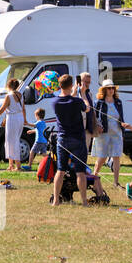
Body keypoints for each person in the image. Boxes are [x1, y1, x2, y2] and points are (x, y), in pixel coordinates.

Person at [51, 74, 92, 206]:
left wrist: (74, 92)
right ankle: (84, 201)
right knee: (80, 171)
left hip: (62, 139)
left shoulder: (55, 102)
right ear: (71, 85)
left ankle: (56, 200)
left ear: (60, 86)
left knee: (60, 170)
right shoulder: (77, 101)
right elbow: (87, 108)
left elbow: (68, 99)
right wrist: (83, 93)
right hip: (78, 139)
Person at [0, 78, 28, 175]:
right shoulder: (20, 95)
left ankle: (17, 165)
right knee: (13, 140)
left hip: (12, 118)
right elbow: (23, 108)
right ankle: (11, 164)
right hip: (19, 118)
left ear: (9, 86)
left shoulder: (9, 96)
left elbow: (2, 109)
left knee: (12, 141)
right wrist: (25, 119)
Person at [91, 81, 126, 187]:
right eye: (109, 88)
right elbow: (94, 117)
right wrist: (97, 125)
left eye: (112, 88)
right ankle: (93, 177)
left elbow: (121, 117)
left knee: (116, 156)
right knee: (102, 157)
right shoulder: (99, 102)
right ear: (104, 90)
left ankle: (116, 182)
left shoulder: (118, 102)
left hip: (116, 132)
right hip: (104, 133)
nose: (111, 90)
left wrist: (123, 128)